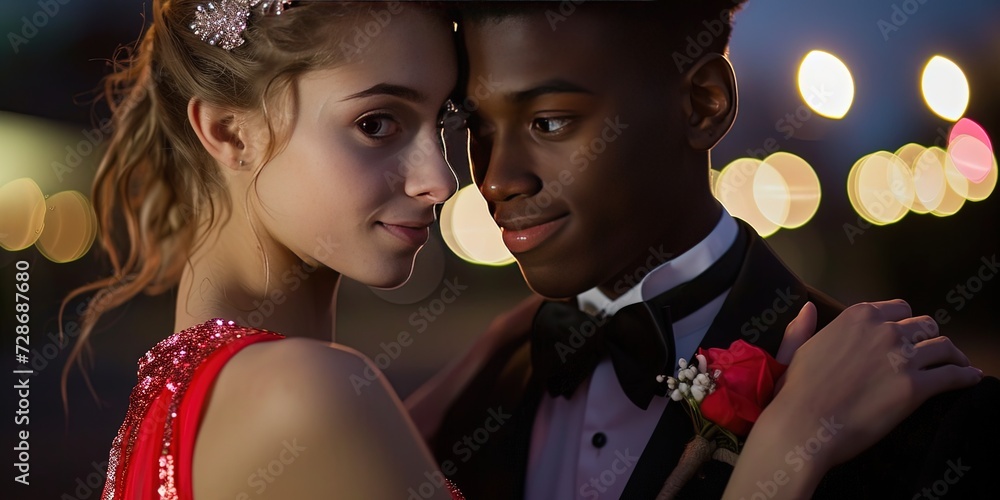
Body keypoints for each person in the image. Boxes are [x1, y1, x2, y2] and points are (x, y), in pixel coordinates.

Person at [427, 1, 997, 499]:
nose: (496, 179)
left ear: (703, 104)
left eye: (549, 122)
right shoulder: (475, 394)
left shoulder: (935, 424)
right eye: (477, 128)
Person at [58, 1, 488, 498]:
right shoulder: (304, 393)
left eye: (442, 123)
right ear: (231, 132)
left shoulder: (169, 412)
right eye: (376, 124)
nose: (440, 180)